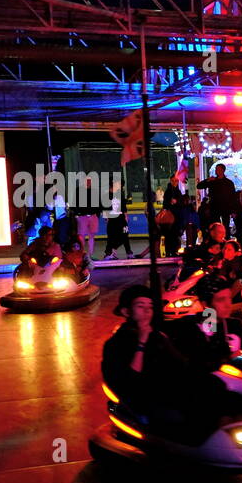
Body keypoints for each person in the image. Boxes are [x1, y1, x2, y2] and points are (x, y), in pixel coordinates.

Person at [101, 285, 225, 443]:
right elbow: (131, 380)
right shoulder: (117, 343)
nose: (147, 311)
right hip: (145, 396)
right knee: (200, 407)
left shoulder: (157, 335)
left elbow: (182, 361)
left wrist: (211, 314)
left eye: (150, 307)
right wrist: (142, 342)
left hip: (170, 388)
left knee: (218, 385)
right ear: (126, 312)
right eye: (140, 306)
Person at [198, 164, 241, 240]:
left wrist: (233, 210)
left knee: (226, 226)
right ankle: (215, 241)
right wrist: (208, 180)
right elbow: (199, 186)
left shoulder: (228, 183)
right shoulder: (213, 181)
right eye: (216, 169)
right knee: (215, 226)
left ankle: (226, 240)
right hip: (214, 207)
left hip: (225, 208)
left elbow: (232, 197)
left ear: (222, 170)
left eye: (218, 169)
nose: (216, 171)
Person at [103, 181, 132, 260]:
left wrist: (126, 216)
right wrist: (106, 218)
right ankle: (109, 253)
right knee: (112, 237)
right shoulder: (106, 195)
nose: (121, 187)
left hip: (121, 218)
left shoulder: (120, 195)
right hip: (112, 219)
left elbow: (123, 207)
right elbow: (105, 207)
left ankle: (128, 252)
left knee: (125, 235)